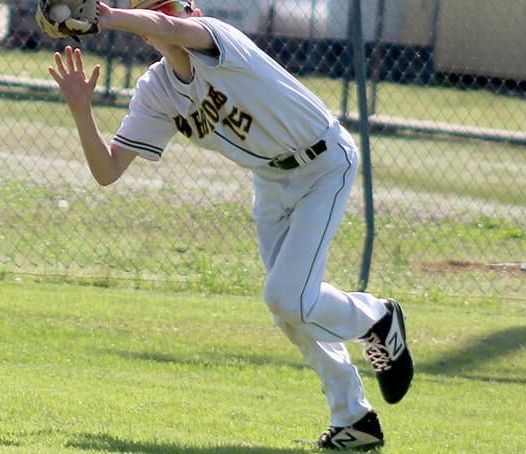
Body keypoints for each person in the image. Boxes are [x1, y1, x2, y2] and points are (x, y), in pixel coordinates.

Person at [46, 0, 414, 449]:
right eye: (164, 12)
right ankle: (354, 418)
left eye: (178, 9)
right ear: (146, 38)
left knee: (287, 297)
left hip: (323, 165)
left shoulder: (219, 38)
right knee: (290, 307)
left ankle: (377, 318)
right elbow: (107, 171)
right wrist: (81, 109)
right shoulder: (157, 90)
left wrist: (105, 16)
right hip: (272, 180)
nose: (176, 17)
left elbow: (167, 26)